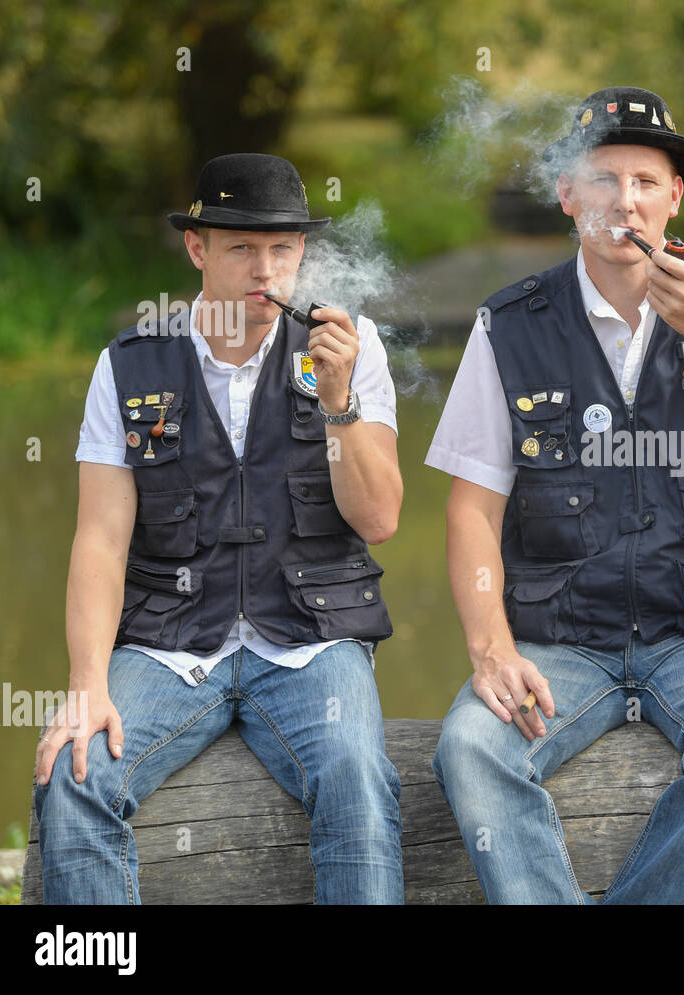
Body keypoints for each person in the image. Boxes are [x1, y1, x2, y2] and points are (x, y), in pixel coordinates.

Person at [425, 87, 684, 903]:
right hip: (558, 639)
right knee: (469, 746)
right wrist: (491, 647)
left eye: (647, 181)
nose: (627, 201)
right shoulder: (507, 323)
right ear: (567, 195)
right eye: (604, 180)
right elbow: (472, 510)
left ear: (676, 196)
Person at [33, 153, 405, 904]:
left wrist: (340, 402)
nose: (264, 270)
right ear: (197, 249)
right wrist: (86, 683)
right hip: (168, 646)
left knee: (359, 780)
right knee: (74, 771)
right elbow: (100, 540)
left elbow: (382, 518)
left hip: (313, 640)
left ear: (303, 251)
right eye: (240, 248)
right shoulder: (129, 363)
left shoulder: (348, 348)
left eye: (282, 248)